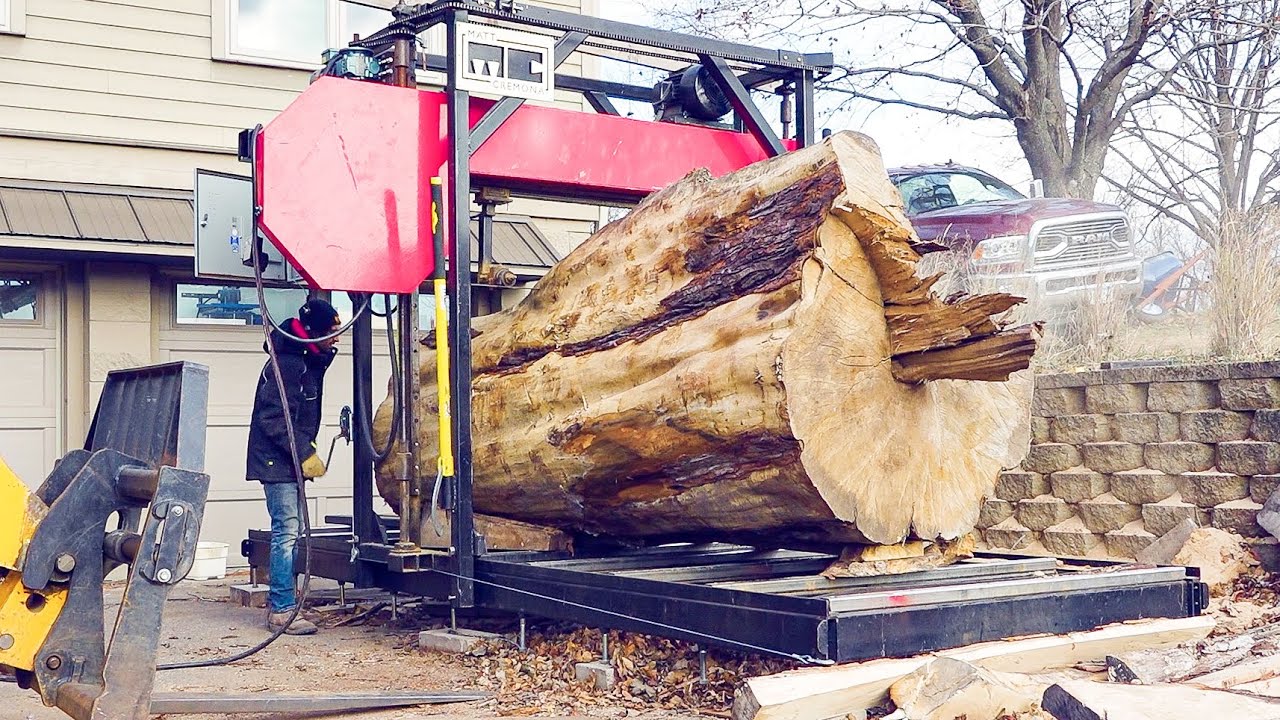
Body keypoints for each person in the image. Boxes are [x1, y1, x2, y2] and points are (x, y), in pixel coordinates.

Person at [246, 298, 342, 635]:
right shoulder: (287, 364)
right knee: (285, 532)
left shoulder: (304, 359)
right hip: (277, 461)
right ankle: (281, 611)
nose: (338, 338)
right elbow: (273, 419)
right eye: (332, 332)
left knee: (292, 530)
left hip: (285, 460)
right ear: (312, 333)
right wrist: (303, 453)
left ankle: (287, 602)